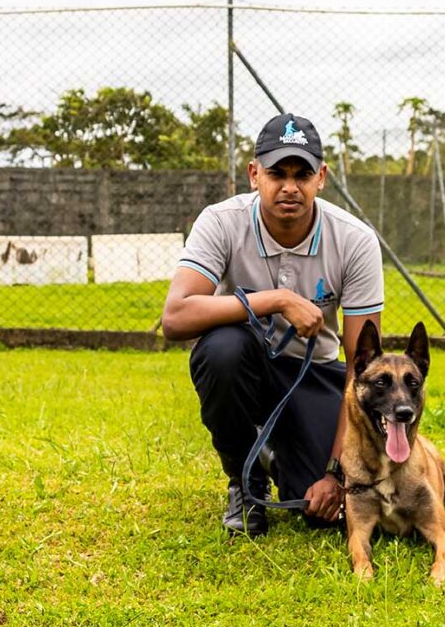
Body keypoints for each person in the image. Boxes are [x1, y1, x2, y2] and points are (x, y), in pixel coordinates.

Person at [161, 113, 386, 537]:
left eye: (302, 174)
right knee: (221, 350)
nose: (289, 187)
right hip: (246, 366)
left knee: (317, 506)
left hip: (313, 373)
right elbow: (175, 317)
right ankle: (245, 483)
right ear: (253, 174)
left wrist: (338, 473)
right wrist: (276, 301)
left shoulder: (354, 239)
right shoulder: (220, 221)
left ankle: (270, 451)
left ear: (321, 177)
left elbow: (363, 367)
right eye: (276, 173)